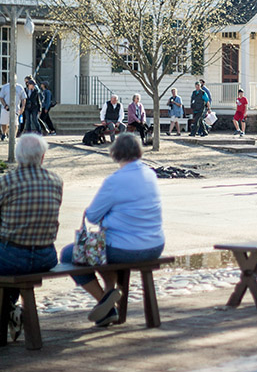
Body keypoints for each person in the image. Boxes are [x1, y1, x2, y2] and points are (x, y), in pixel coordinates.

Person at [60, 133, 164, 327]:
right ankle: (109, 290)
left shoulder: (114, 181)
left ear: (115, 153)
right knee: (105, 247)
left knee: (68, 254)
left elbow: (92, 215)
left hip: (126, 249)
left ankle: (105, 301)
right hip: (155, 245)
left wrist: (108, 218)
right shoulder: (150, 174)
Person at [0, 134, 63, 341]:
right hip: (46, 256)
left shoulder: (6, 182)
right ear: (43, 157)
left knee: (10, 258)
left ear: (18, 157)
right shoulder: (56, 181)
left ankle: (9, 311)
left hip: (12, 256)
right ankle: (11, 310)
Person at [0, 77, 26, 142]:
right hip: (6, 108)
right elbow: (1, 97)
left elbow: (23, 98)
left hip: (16, 108)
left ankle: (13, 137)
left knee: (15, 123)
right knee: (4, 122)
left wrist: (23, 107)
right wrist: (5, 105)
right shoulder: (5, 87)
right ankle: (4, 134)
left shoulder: (20, 87)